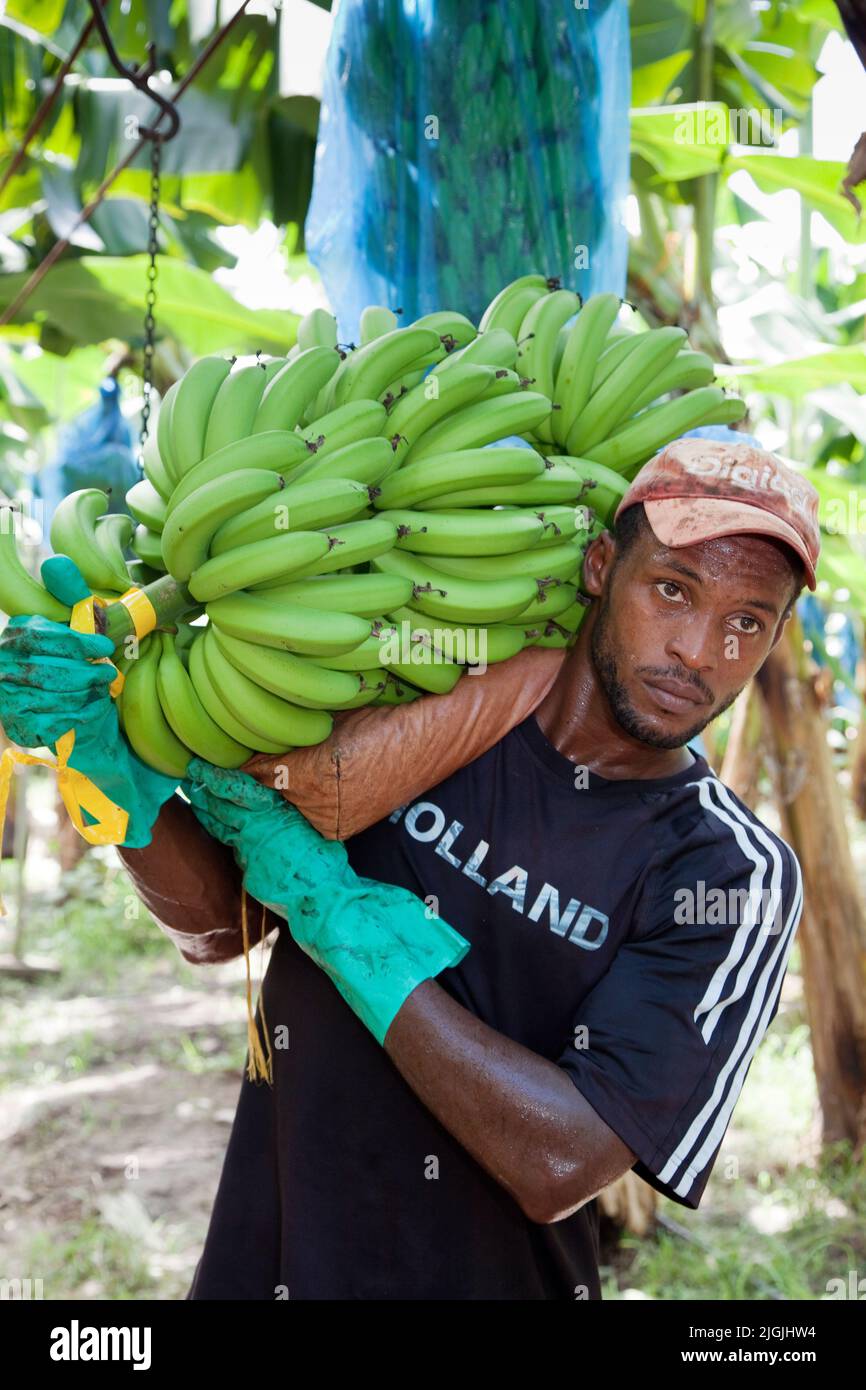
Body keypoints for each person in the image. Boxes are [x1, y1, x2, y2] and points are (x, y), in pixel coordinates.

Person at [0, 437, 821, 1301]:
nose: (699, 652)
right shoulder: (413, 709)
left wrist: (342, 923)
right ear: (600, 567)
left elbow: (563, 1160)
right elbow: (214, 925)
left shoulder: (729, 877)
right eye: (672, 591)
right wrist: (103, 766)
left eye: (745, 622)